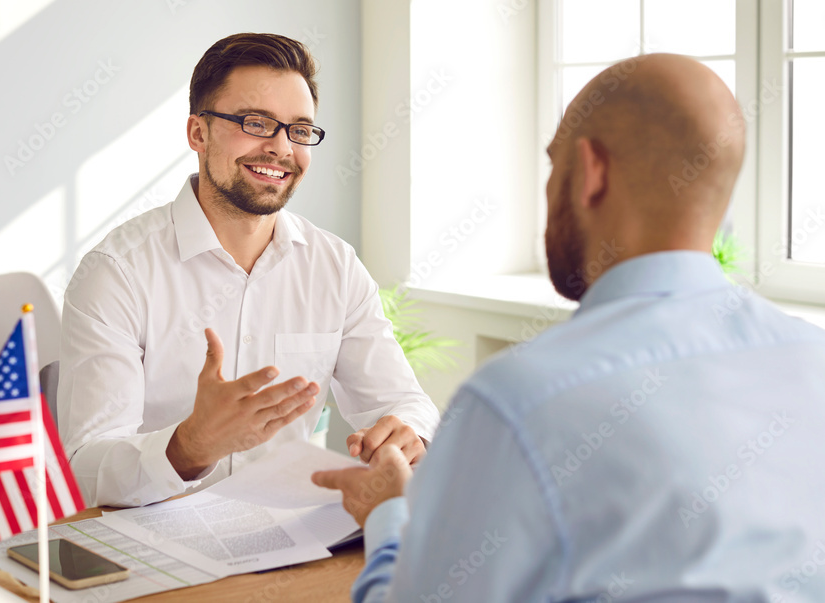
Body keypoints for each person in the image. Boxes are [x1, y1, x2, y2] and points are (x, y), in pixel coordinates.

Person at [313, 54, 825, 601]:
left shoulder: (520, 402)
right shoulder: (811, 357)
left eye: (555, 165)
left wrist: (390, 516)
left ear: (591, 171)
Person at [58, 32, 440, 507]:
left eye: (299, 130)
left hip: (289, 539)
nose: (281, 148)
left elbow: (404, 402)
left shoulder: (335, 267)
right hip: (153, 545)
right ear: (198, 133)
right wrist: (188, 447)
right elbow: (86, 470)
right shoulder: (116, 273)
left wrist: (408, 435)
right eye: (256, 123)